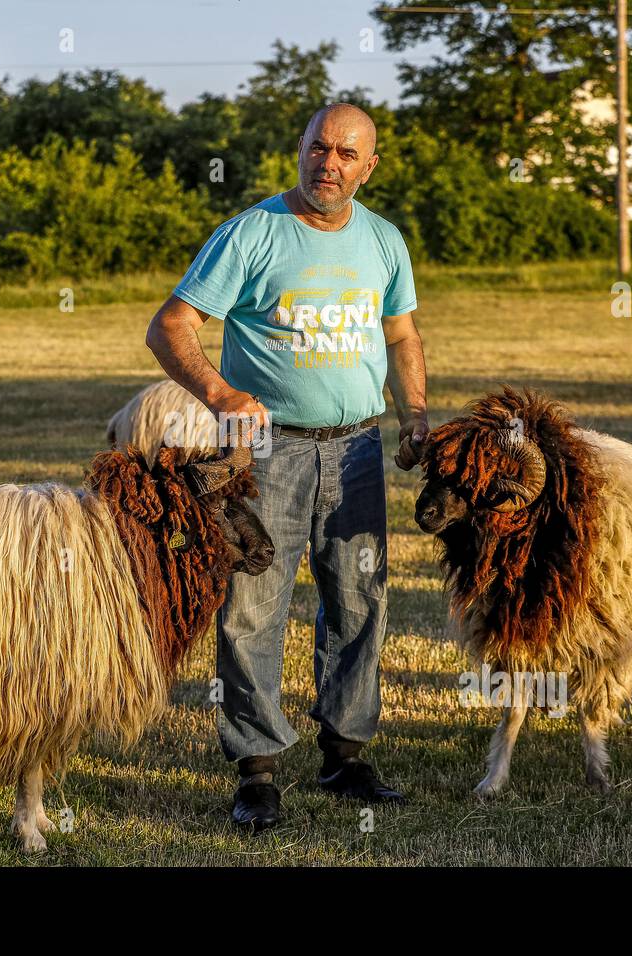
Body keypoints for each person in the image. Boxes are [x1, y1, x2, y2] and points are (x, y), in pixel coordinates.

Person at [145, 103, 428, 832]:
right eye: (317, 148)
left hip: (359, 448)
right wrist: (219, 391)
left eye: (345, 153)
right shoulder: (251, 232)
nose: (328, 163)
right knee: (251, 607)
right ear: (298, 151)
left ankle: (346, 756)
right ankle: (258, 771)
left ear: (371, 166)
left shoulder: (384, 241)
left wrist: (415, 412)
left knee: (361, 601)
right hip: (267, 451)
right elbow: (170, 324)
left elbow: (401, 333)